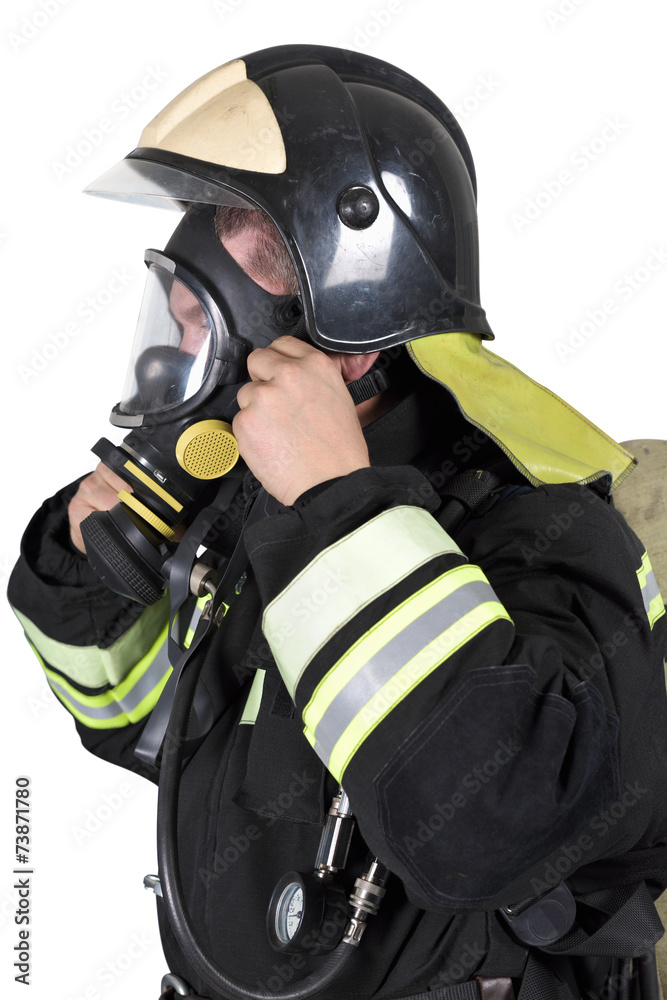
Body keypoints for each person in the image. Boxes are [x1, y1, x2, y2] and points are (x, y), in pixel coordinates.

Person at [8, 44, 667, 1000]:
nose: (174, 350)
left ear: (342, 351)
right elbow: (158, 730)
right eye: (174, 310)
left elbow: (497, 830)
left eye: (204, 318)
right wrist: (84, 584)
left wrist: (334, 519)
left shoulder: (549, 527)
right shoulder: (254, 510)